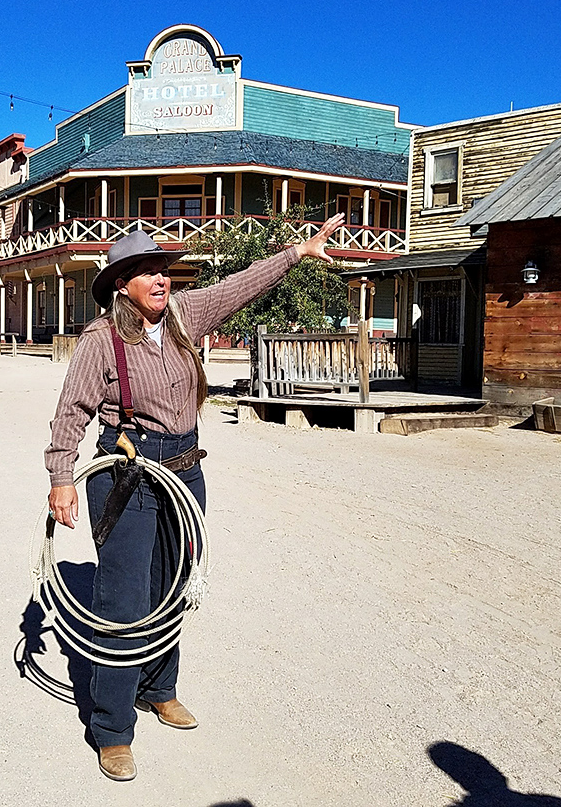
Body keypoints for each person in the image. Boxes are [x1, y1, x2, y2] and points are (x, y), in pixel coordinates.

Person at [44, 213, 344, 781]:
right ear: (121, 285)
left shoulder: (184, 316)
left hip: (184, 468)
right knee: (125, 599)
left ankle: (159, 688)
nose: (162, 278)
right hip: (128, 473)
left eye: (163, 268)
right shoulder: (100, 341)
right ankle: (111, 727)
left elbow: (238, 285)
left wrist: (295, 254)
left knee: (176, 585)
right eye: (147, 271)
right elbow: (72, 412)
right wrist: (62, 477)